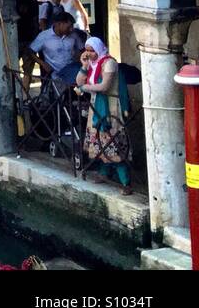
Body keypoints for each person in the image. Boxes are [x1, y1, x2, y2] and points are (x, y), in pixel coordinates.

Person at [75, 37, 133, 195]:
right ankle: (104, 172)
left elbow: (104, 86)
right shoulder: (92, 64)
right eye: (86, 50)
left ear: (99, 49)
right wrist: (84, 66)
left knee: (113, 142)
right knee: (100, 141)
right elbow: (78, 80)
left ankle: (126, 182)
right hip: (97, 106)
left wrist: (84, 88)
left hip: (111, 107)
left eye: (91, 50)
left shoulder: (109, 63)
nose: (88, 53)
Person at [29, 11, 81, 87]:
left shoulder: (74, 35)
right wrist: (43, 64)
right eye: (69, 27)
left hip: (73, 69)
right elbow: (30, 51)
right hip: (57, 73)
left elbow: (82, 50)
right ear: (59, 24)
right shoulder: (44, 36)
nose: (71, 29)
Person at [14, 0, 40, 87]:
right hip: (15, 39)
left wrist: (34, 40)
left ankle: (25, 95)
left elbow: (35, 22)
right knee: (14, 69)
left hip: (29, 39)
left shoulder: (33, 3)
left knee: (28, 70)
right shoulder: (13, 0)